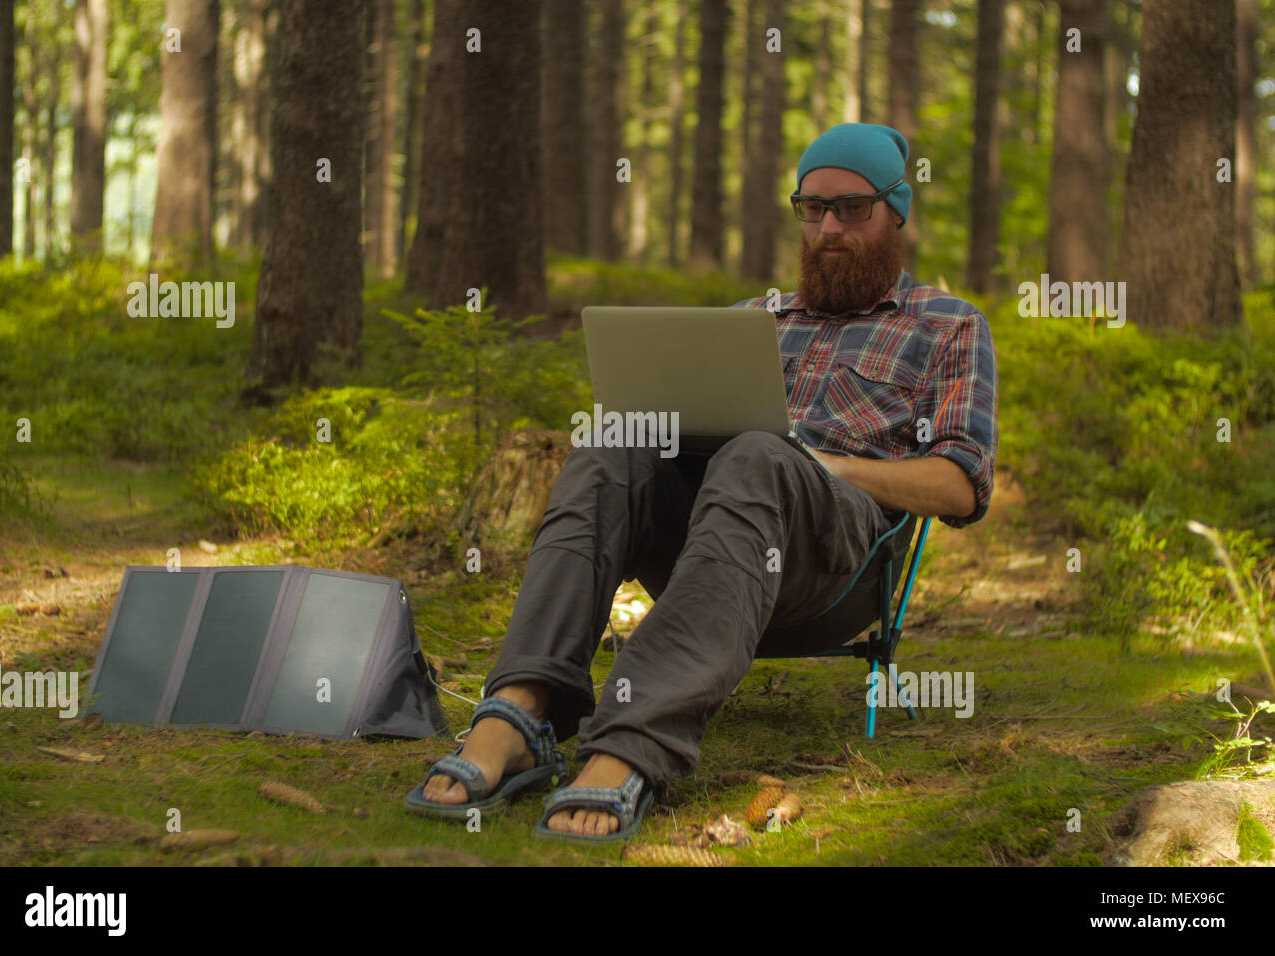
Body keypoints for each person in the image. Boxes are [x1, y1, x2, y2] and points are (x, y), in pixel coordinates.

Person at [405, 123, 998, 841]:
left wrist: (827, 465)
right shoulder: (755, 319)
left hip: (831, 563)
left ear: (896, 212)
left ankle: (630, 744)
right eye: (813, 209)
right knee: (617, 440)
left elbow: (962, 486)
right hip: (713, 547)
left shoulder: (947, 325)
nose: (829, 228)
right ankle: (522, 708)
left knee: (758, 454)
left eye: (852, 208)